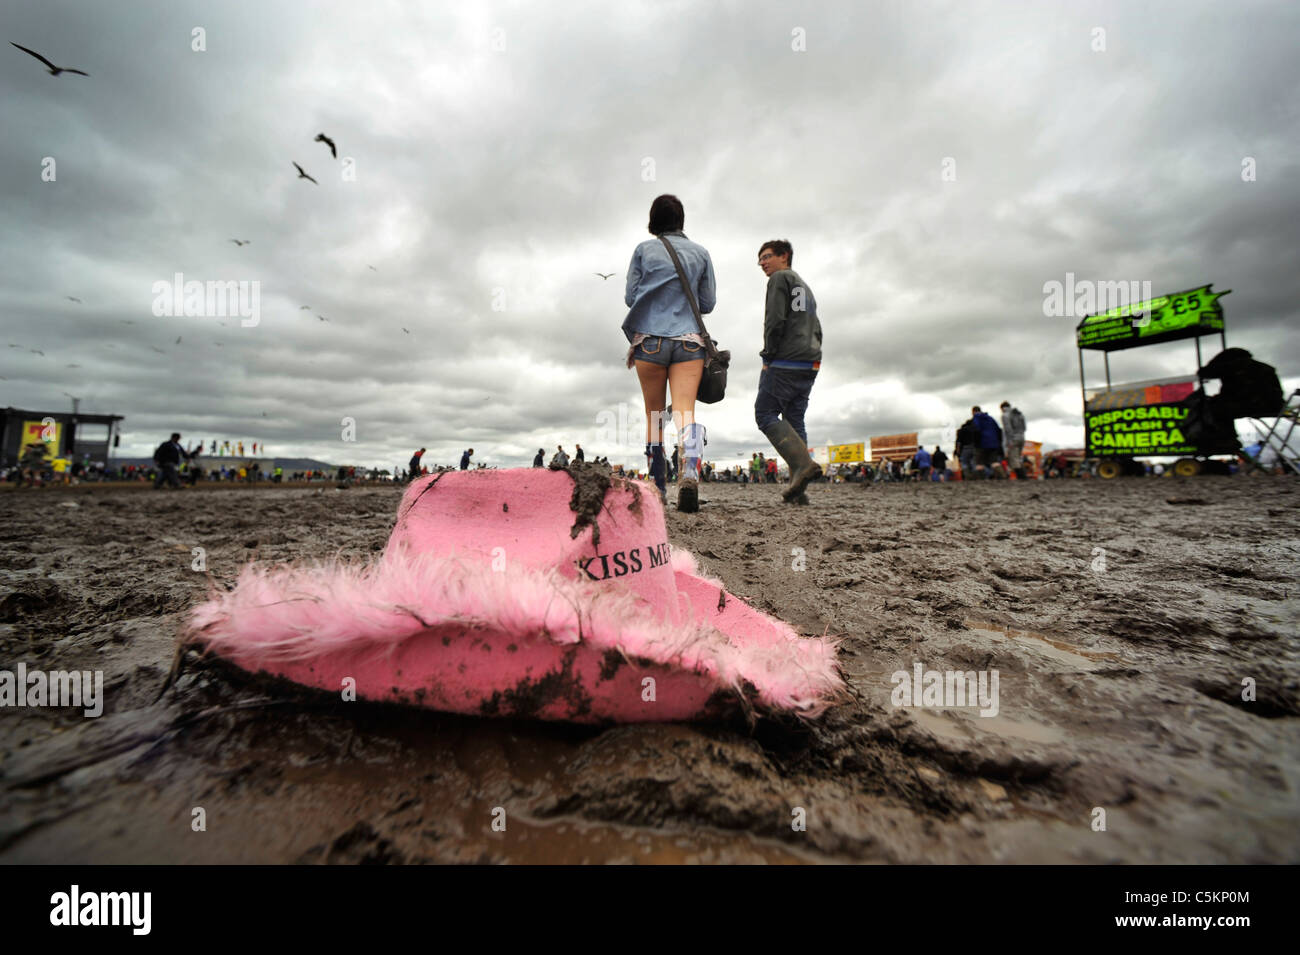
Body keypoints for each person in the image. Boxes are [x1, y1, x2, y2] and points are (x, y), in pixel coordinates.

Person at [623, 194, 717, 511]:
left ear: (654, 220)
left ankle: (657, 487)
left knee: (653, 416)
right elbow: (707, 304)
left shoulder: (643, 250)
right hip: (690, 341)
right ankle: (689, 472)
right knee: (684, 413)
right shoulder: (701, 253)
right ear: (681, 220)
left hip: (650, 340)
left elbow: (629, 297)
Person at [754, 239, 822, 504]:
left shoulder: (779, 279)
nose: (762, 263)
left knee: (765, 413)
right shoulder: (805, 288)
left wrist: (768, 355)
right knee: (794, 418)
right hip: (810, 359)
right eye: (760, 259)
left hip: (785, 359)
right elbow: (816, 326)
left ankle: (803, 465)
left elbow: (774, 320)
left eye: (767, 256)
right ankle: (798, 490)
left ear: (785, 256)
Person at [970, 407, 1003, 478]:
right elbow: (998, 430)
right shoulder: (990, 418)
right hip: (994, 443)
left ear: (973, 412)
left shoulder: (976, 418)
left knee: (979, 462)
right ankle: (1002, 475)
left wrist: (976, 443)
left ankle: (981, 478)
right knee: (994, 461)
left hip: (982, 443)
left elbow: (976, 430)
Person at [1000, 401, 1027, 478]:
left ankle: (1021, 476)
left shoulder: (1005, 415)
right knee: (1018, 457)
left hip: (1013, 439)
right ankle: (1023, 475)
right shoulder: (1019, 414)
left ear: (1002, 408)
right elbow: (1024, 427)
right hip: (1022, 437)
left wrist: (1009, 441)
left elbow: (1008, 429)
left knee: (1014, 458)